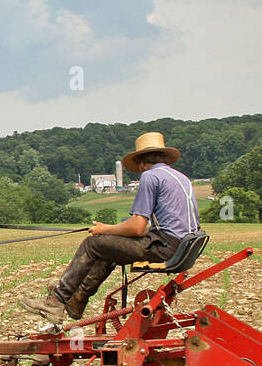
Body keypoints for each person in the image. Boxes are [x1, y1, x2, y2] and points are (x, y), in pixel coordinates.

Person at [19, 131, 200, 325]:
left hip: (166, 246)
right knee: (108, 248)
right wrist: (111, 230)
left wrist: (104, 230)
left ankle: (57, 300)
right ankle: (78, 299)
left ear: (140, 161)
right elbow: (158, 227)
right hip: (181, 245)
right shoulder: (181, 177)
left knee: (92, 244)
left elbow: (138, 227)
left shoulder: (150, 176)